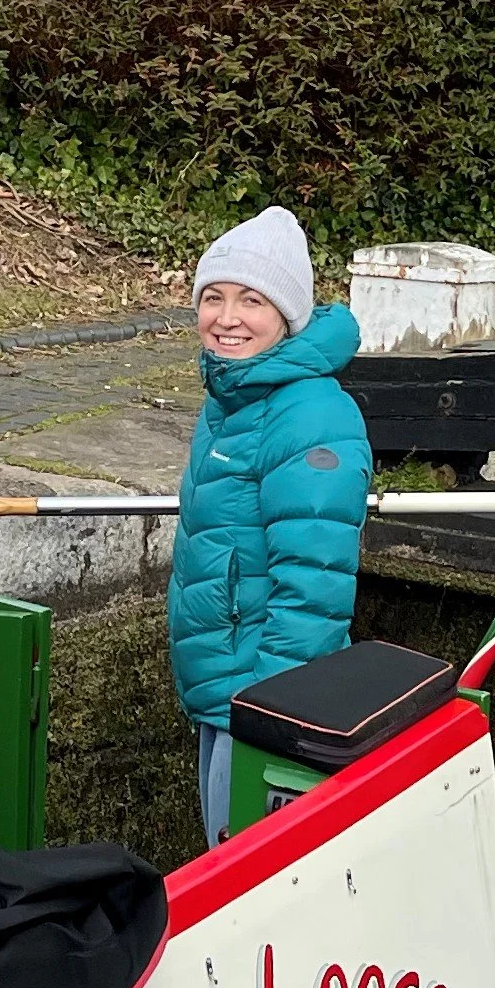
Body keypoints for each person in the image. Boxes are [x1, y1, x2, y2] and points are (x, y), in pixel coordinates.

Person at [166, 206, 372, 848]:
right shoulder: (232, 400)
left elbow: (313, 590)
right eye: (214, 298)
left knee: (252, 875)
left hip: (260, 705)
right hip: (222, 687)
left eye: (251, 300)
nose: (227, 319)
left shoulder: (310, 416)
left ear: (288, 315)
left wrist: (271, 715)